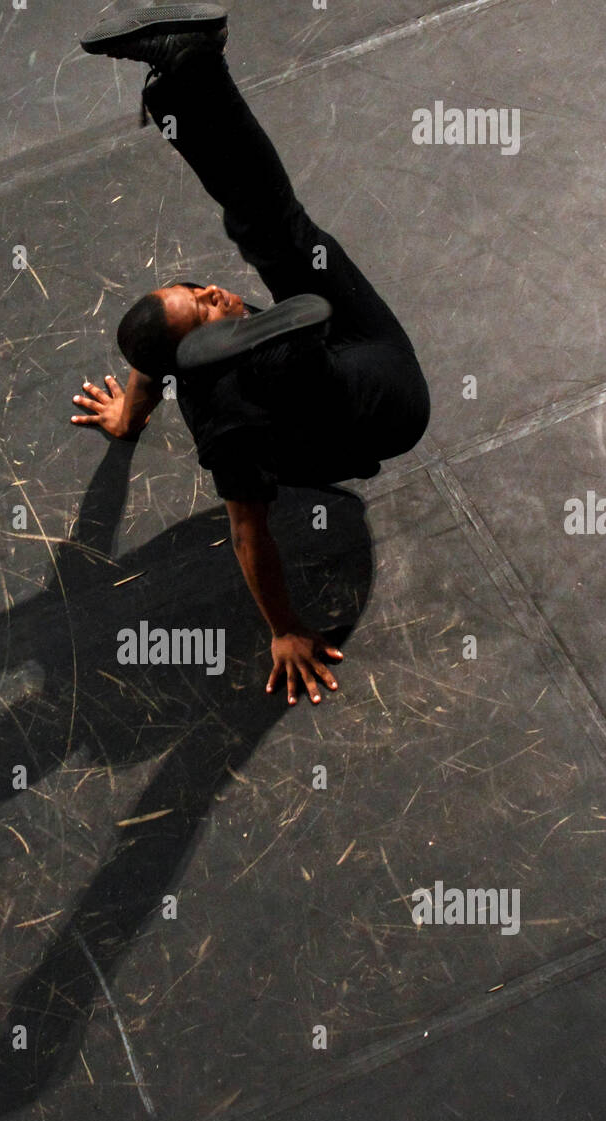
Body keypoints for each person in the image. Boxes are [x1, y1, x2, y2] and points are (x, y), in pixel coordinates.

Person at [71, 4, 429, 706]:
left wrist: (128, 422)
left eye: (194, 289)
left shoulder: (177, 355)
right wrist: (285, 630)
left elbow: (151, 357)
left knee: (267, 221)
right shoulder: (224, 427)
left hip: (333, 347)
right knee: (280, 290)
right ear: (195, 353)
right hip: (387, 406)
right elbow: (247, 535)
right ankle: (291, 346)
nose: (209, 289)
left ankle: (187, 64)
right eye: (203, 305)